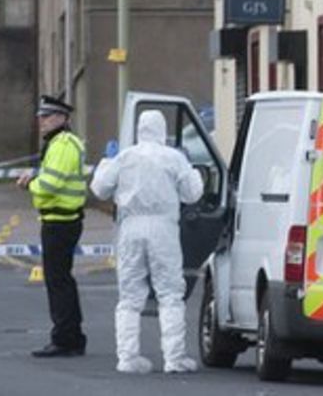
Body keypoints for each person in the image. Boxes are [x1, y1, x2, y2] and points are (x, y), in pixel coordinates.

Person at [89, 110, 203, 374]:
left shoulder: (125, 157)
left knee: (129, 296)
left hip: (131, 226)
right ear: (162, 130)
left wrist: (107, 160)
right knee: (170, 293)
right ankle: (174, 358)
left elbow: (99, 189)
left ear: (139, 129)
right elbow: (193, 194)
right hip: (163, 228)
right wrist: (190, 168)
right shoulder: (173, 158)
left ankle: (127, 358)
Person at [16, 94, 87, 358]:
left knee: (58, 281)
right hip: (59, 219)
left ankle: (65, 339)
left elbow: (51, 185)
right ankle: (72, 336)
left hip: (61, 221)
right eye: (40, 117)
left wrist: (30, 184)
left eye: (47, 117)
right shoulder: (58, 144)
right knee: (62, 279)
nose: (41, 122)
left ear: (62, 118)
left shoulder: (63, 144)